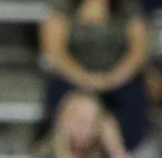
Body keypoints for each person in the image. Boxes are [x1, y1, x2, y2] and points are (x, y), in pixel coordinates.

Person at [41, 0, 150, 149]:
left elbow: (138, 50)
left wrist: (114, 77)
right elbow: (55, 52)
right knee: (59, 93)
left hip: (118, 79)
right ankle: (61, 152)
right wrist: (86, 79)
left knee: (132, 97)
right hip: (73, 78)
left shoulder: (127, 6)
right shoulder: (63, 7)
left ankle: (128, 151)